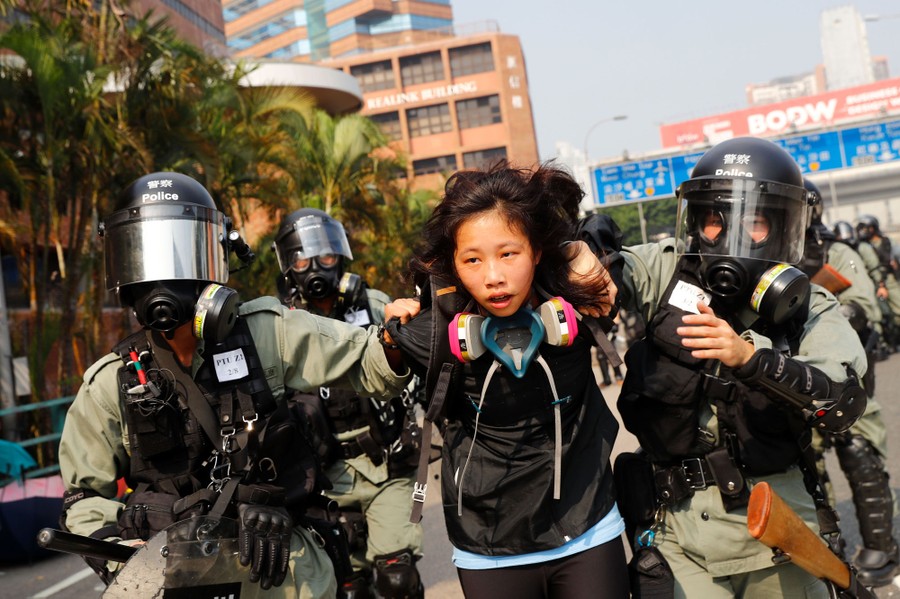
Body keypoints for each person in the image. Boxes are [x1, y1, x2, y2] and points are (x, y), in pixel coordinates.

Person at [58, 172, 411, 597]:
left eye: (184, 253)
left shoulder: (268, 333)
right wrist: (114, 546)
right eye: (144, 257)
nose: (164, 279)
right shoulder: (111, 379)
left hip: (279, 566)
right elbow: (83, 497)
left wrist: (398, 336)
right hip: (166, 571)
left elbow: (367, 359)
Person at [579, 137, 868, 598]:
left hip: (775, 534)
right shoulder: (669, 271)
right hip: (677, 534)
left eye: (752, 222)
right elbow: (610, 272)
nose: (728, 237)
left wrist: (750, 359)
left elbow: (841, 402)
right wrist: (588, 256)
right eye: (714, 220)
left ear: (780, 226)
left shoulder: (810, 306)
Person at [382, 163, 630, 599]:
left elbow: (648, 258)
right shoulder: (433, 332)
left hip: (587, 529)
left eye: (508, 254)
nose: (493, 276)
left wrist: (578, 248)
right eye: (472, 260)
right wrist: (390, 337)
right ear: (455, 267)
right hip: (488, 547)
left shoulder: (579, 294)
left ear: (536, 251)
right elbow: (352, 356)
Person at [272, 208, 424, 598]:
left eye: (324, 257)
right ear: (288, 268)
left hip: (387, 466)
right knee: (348, 589)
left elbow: (417, 367)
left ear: (340, 257)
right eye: (302, 260)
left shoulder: (375, 306)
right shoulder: (280, 326)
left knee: (397, 580)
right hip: (324, 479)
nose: (315, 269)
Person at [800, 179, 899, 588]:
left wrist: (817, 306)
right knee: (805, 469)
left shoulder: (836, 252)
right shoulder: (764, 254)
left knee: (860, 453)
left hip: (843, 376)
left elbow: (863, 310)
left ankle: (881, 548)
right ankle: (826, 557)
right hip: (787, 382)